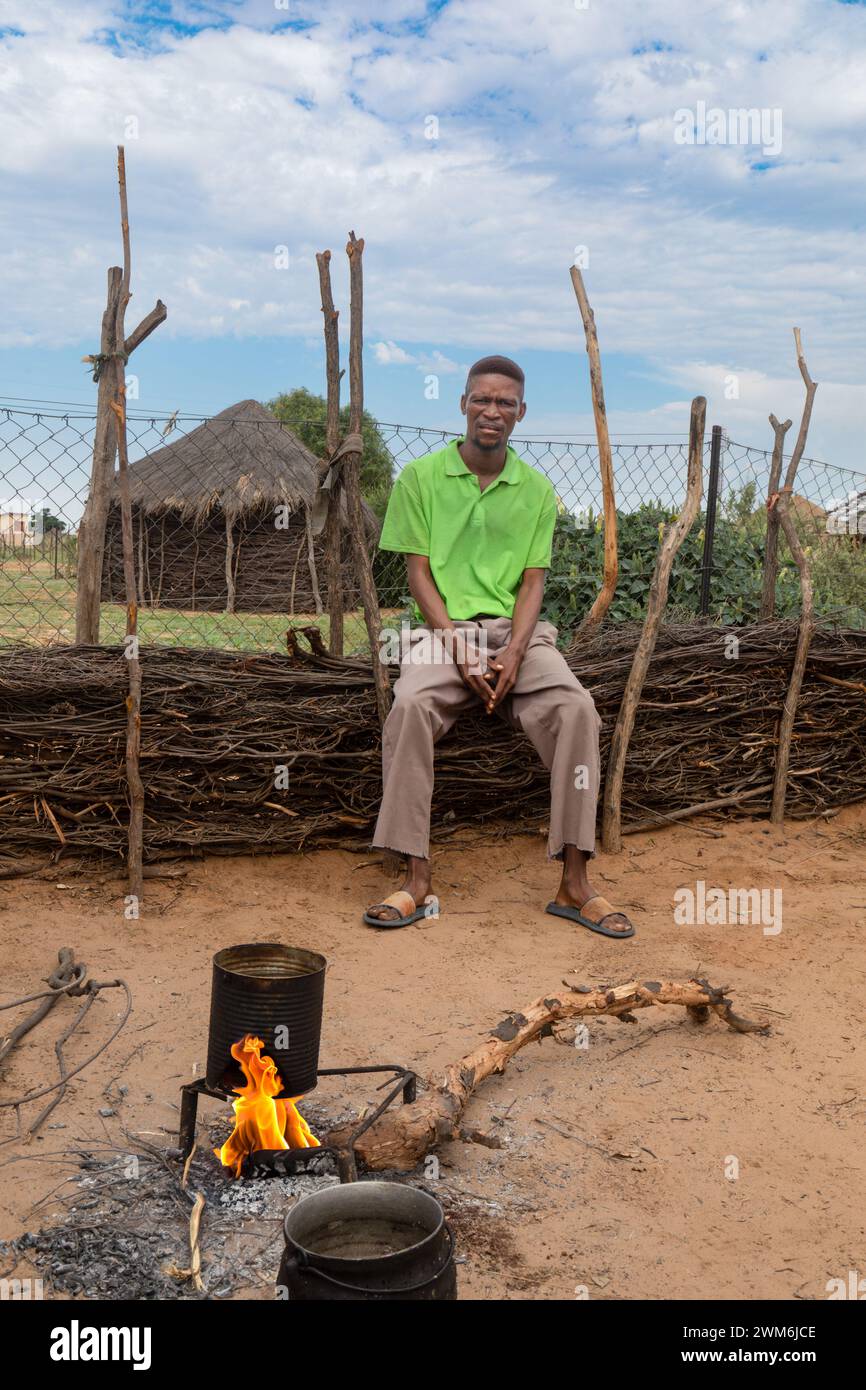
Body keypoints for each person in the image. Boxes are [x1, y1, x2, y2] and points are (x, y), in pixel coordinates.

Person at [363, 355, 634, 939]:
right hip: (442, 631)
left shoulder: (536, 490)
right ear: (463, 404)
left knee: (576, 709)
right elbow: (418, 577)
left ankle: (574, 883)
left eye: (505, 403)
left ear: (520, 413)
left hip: (517, 633)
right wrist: (458, 648)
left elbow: (532, 583)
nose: (492, 411)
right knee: (409, 705)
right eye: (482, 399)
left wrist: (513, 650)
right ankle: (416, 878)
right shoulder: (420, 478)